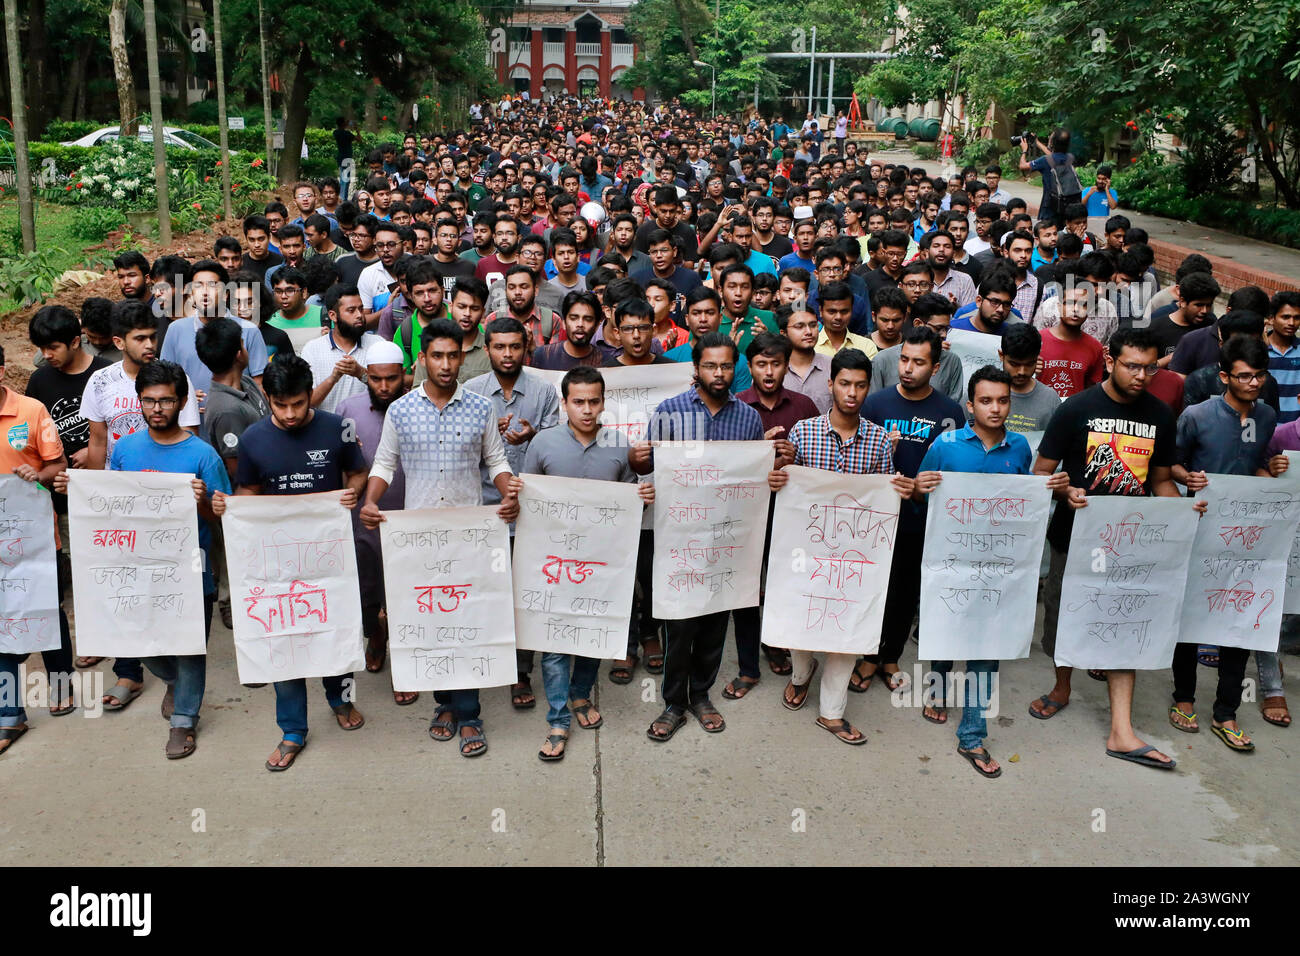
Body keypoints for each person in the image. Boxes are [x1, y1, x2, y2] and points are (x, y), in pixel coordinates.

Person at [1031, 328, 1200, 771]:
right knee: (1065, 617)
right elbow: (1041, 474)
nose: (1141, 375)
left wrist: (1181, 515)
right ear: (1109, 360)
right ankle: (1061, 687)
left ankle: (1121, 731)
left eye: (1149, 366)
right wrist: (1063, 492)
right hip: (1073, 535)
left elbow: (1162, 480)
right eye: (1131, 365)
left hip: (1131, 543)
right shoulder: (1076, 409)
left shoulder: (1161, 416)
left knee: (1126, 622)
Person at [361, 320, 520, 757]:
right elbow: (384, 465)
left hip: (470, 534)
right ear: (422, 359)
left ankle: (469, 714)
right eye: (438, 356)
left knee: (468, 623)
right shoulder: (401, 410)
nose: (447, 365)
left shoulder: (480, 409)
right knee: (433, 621)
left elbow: (496, 460)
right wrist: (371, 503)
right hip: (420, 536)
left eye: (453, 356)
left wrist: (510, 494)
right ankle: (443, 705)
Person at [62, 360, 227, 758]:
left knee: (189, 647)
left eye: (166, 401)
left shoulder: (204, 456)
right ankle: (173, 682)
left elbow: (223, 518)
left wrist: (204, 501)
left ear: (182, 402)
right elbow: (113, 507)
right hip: (135, 567)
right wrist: (78, 487)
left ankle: (184, 720)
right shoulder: (128, 449)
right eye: (149, 401)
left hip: (190, 571)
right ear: (139, 402)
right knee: (141, 641)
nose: (157, 409)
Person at [212, 356, 369, 771]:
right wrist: (228, 506)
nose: (290, 414)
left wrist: (351, 492)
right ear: (269, 397)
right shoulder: (252, 440)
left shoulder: (339, 428)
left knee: (334, 631)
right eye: (280, 405)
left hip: (329, 555)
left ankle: (341, 699)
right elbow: (247, 491)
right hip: (276, 561)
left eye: (298, 404)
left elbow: (358, 472)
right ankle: (292, 729)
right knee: (284, 639)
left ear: (309, 393)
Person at [912, 367, 1067, 775]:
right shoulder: (945, 445)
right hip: (949, 561)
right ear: (969, 406)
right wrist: (918, 487)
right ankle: (938, 687)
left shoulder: (1019, 449)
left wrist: (1048, 487)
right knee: (948, 627)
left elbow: (1025, 503)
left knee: (987, 644)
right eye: (986, 401)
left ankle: (972, 736)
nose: (995, 408)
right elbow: (918, 495)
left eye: (1002, 400)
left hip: (999, 568)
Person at [767, 348, 913, 743]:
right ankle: (801, 674)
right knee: (801, 618)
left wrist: (898, 489)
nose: (852, 392)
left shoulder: (882, 441)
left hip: (856, 557)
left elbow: (882, 501)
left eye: (860, 385)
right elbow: (786, 485)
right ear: (830, 384)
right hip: (807, 550)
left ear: (869, 388)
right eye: (845, 383)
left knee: (848, 624)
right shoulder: (803, 432)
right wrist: (778, 478)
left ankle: (832, 712)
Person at [509, 366, 655, 760]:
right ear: (565, 403)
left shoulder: (619, 445)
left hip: (601, 565)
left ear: (604, 403)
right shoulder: (542, 444)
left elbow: (626, 502)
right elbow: (529, 502)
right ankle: (558, 719)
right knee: (554, 643)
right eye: (579, 402)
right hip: (553, 564)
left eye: (594, 402)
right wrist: (519, 495)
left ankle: (579, 695)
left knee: (593, 632)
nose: (587, 410)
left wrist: (640, 496)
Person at [632, 332, 767, 740]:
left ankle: (701, 694)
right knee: (680, 623)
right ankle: (674, 702)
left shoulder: (748, 419)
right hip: (679, 538)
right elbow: (649, 471)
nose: (719, 373)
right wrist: (638, 462)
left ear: (734, 368)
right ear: (696, 368)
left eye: (726, 365)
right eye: (711, 365)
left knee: (715, 621)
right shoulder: (668, 413)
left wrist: (772, 471)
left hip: (726, 538)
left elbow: (753, 480)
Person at [1170, 336, 1284, 752]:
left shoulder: (1268, 417)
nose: (1253, 383)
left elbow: (1258, 466)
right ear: (1224, 377)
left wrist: (1273, 467)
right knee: (1191, 618)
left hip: (1247, 537)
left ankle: (1226, 712)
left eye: (1259, 375)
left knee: (1238, 618)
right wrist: (1188, 478)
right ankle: (1183, 698)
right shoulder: (1196, 416)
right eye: (1244, 376)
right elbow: (1172, 464)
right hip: (1199, 530)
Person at [854, 326, 964, 692]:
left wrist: (923, 488)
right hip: (875, 519)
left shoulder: (949, 412)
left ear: (935, 368)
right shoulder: (875, 403)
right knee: (873, 590)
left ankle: (890, 658)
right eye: (904, 359)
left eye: (918, 362)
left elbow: (953, 469)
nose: (907, 368)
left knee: (904, 593)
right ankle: (867, 656)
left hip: (921, 521)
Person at [726, 333, 819, 695]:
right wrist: (759, 452)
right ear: (749, 368)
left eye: (776, 363)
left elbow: (817, 463)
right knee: (747, 591)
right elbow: (724, 467)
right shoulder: (737, 406)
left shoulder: (804, 406)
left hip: (792, 516)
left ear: (787, 367)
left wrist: (793, 460)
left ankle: (777, 643)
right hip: (748, 513)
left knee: (787, 585)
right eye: (761, 364)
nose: (769, 371)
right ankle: (748, 667)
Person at [0, 344, 75, 752]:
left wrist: (38, 473)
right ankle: (9, 711)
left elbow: (58, 464)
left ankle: (61, 684)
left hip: (31, 532)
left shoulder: (32, 411)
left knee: (45, 606)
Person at [335, 340, 415, 705]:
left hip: (411, 517)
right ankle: (376, 637)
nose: (384, 387)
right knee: (367, 589)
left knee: (406, 592)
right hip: (363, 518)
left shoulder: (419, 408)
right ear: (367, 376)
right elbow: (343, 463)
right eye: (377, 379)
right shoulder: (347, 411)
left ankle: (405, 659)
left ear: (404, 378)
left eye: (392, 380)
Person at [301, 284, 382, 413]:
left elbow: (389, 391)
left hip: (367, 429)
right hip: (327, 430)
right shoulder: (312, 350)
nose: (359, 315)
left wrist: (361, 374)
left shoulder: (377, 345)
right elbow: (307, 403)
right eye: (351, 310)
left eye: (361, 309)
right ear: (333, 316)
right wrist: (332, 379)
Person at [871, 294, 965, 404]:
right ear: (918, 324)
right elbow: (874, 405)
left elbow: (951, 407)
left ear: (935, 368)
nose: (943, 334)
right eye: (938, 328)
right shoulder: (882, 360)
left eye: (947, 328)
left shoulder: (952, 361)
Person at [1037, 279, 1106, 399]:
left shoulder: (1095, 348)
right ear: (1059, 306)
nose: (1076, 309)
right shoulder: (1037, 340)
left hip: (1074, 414)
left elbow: (1091, 391)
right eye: (1069, 303)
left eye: (1084, 304)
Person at [999, 323, 1061, 433]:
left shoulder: (1050, 399)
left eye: (1029, 364)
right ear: (1001, 356)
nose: (1022, 372)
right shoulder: (983, 394)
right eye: (1014, 364)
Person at [530, 290, 604, 370]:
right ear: (564, 323)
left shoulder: (606, 362)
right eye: (573, 318)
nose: (580, 324)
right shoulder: (542, 356)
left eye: (588, 319)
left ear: (596, 325)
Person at [779, 305, 832, 415]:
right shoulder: (772, 369)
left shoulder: (832, 366)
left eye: (813, 325)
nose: (808, 331)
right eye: (799, 326)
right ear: (783, 333)